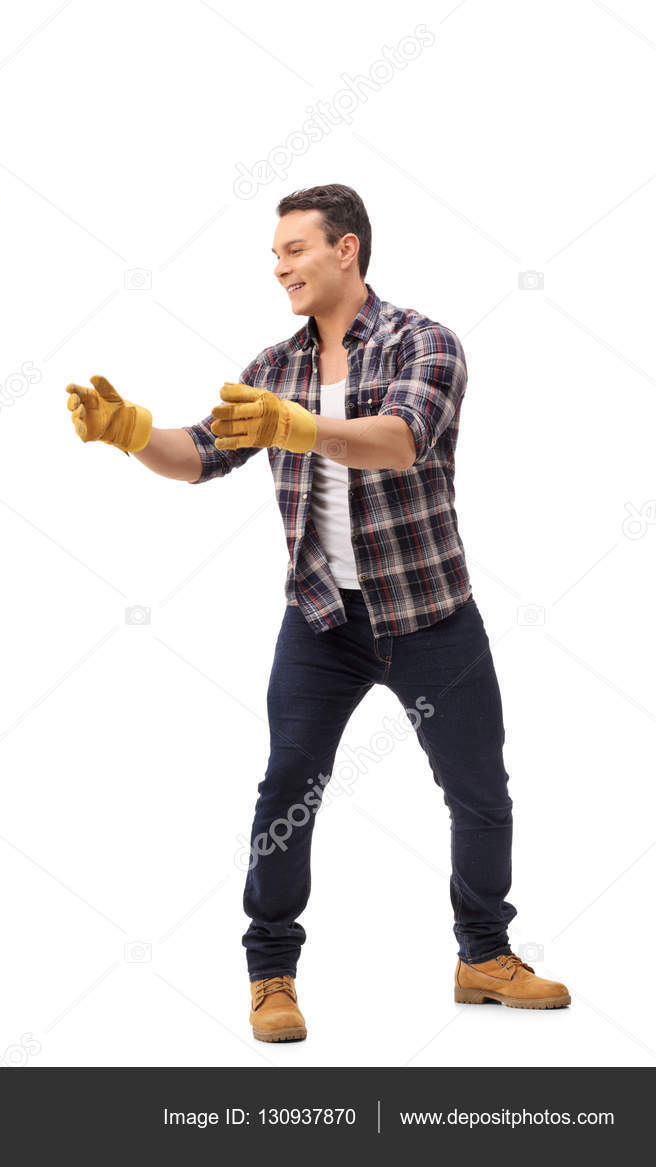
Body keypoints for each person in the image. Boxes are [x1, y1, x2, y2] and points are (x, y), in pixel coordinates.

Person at [63, 184, 569, 1043]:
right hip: (323, 620)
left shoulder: (424, 341)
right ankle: (271, 974)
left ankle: (484, 955)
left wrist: (298, 427)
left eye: (294, 249)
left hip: (431, 615)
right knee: (287, 787)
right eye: (274, 253)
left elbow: (404, 438)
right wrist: (132, 429)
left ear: (347, 250)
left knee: (479, 790)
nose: (278, 265)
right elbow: (200, 454)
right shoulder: (276, 365)